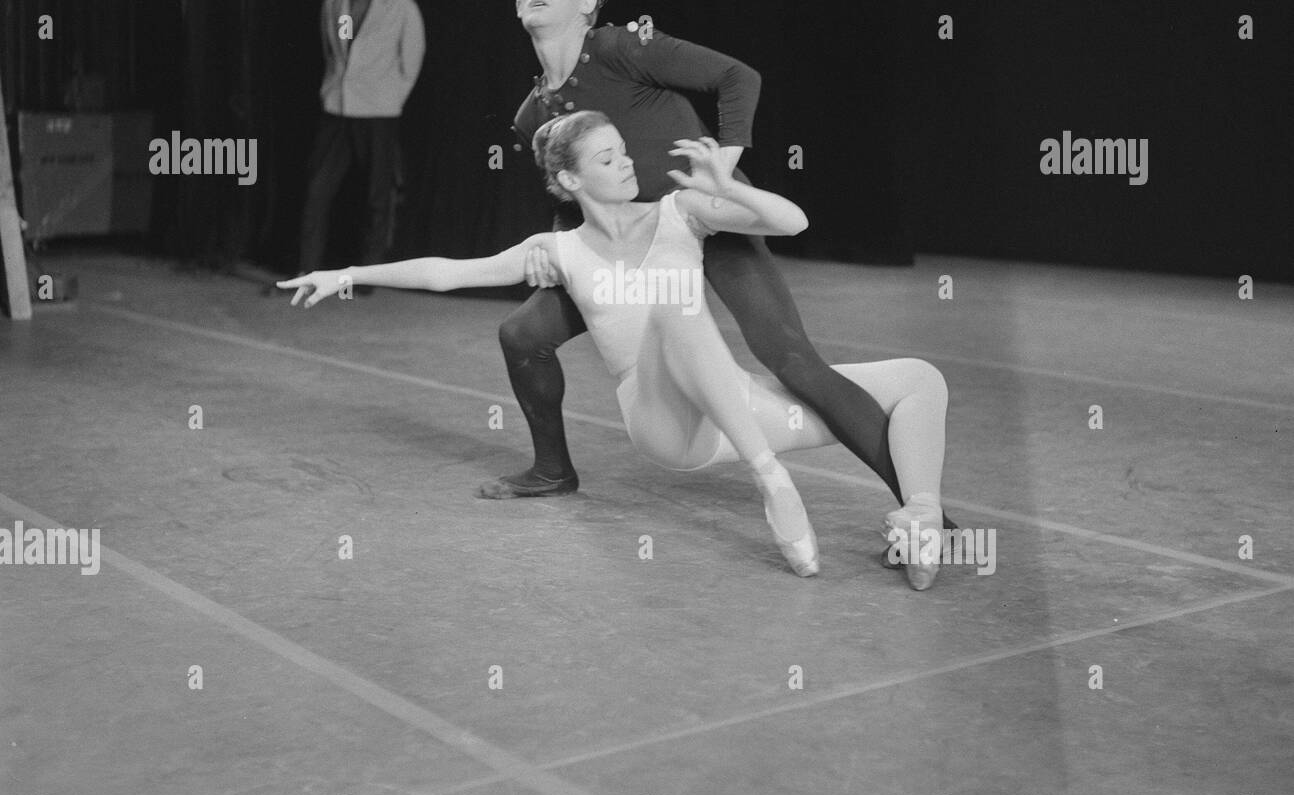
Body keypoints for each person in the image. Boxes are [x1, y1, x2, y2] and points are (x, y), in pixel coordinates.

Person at [279, 112, 951, 588]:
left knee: (919, 379)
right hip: (668, 424)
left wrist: (729, 186)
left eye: (624, 150)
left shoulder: (683, 210)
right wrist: (347, 274)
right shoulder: (559, 252)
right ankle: (773, 481)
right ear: (570, 181)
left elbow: (793, 220)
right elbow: (446, 270)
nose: (628, 162)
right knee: (673, 306)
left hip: (735, 404)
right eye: (607, 158)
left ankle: (918, 515)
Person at [479, 0, 956, 539]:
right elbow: (569, 192)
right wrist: (555, 246)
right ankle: (552, 470)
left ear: (587, 3)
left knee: (790, 359)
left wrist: (723, 176)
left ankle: (927, 511)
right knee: (522, 332)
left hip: (704, 221)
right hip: (637, 247)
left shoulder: (623, 47)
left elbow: (738, 77)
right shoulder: (533, 115)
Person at [298, 0, 426, 280]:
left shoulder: (400, 3)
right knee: (317, 190)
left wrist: (391, 98)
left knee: (376, 195)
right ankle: (305, 268)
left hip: (378, 110)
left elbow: (411, 60)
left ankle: (369, 273)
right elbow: (333, 54)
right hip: (337, 108)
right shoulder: (334, 1)